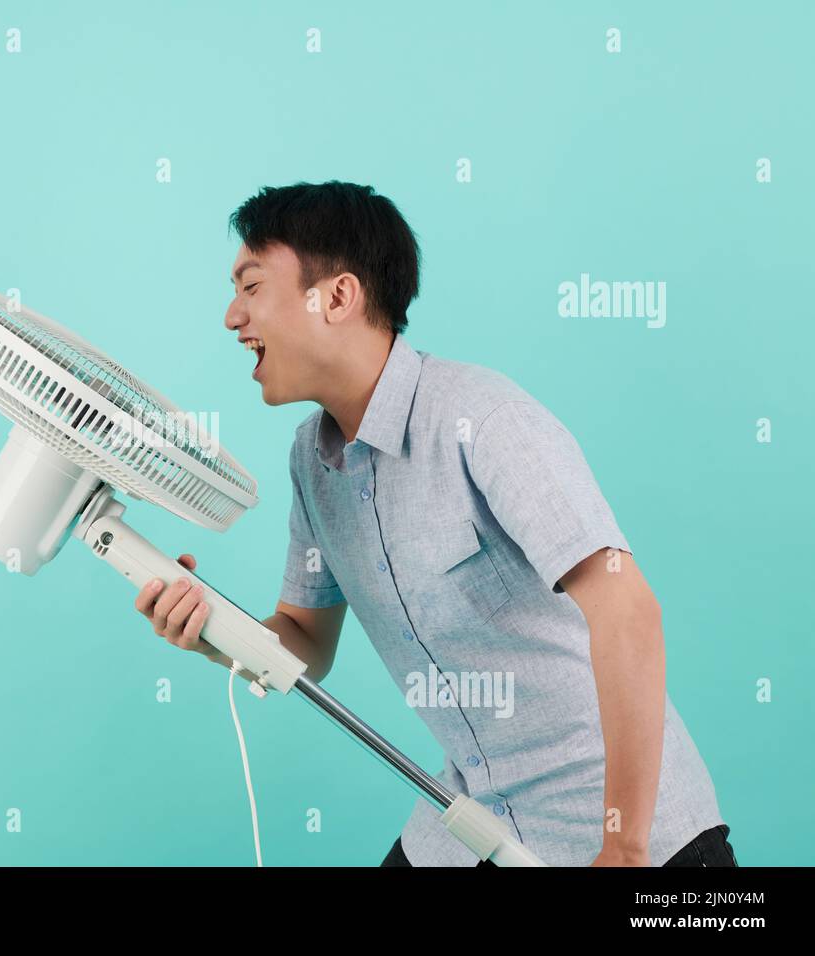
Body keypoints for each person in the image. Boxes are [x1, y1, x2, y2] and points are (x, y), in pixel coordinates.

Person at [132, 181, 736, 867]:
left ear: (335, 297)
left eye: (250, 285)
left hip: (628, 832)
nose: (231, 316)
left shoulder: (483, 419)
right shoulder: (311, 459)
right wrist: (212, 629)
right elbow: (304, 641)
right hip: (473, 814)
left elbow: (629, 611)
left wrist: (623, 850)